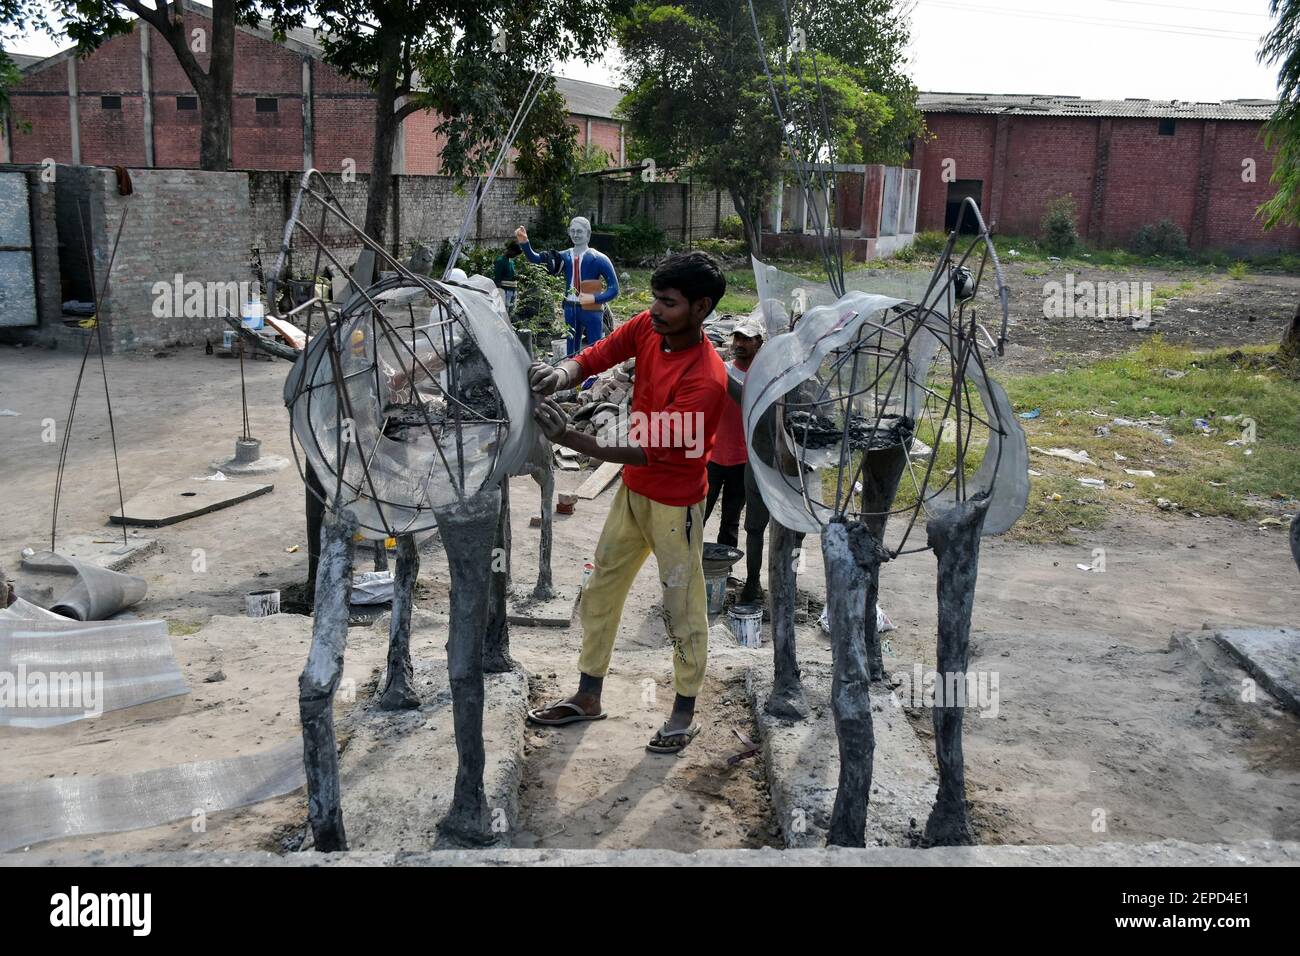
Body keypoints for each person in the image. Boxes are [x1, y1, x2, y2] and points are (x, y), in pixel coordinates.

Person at [526, 251, 728, 754]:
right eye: (656, 300)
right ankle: (588, 695)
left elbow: (649, 448)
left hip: (676, 506)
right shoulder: (648, 330)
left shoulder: (707, 379)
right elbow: (600, 353)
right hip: (633, 494)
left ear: (701, 307)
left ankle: (683, 711)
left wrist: (570, 438)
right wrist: (562, 373)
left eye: (669, 302)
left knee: (681, 607)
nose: (656, 310)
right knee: (599, 590)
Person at [703, 313, 765, 551]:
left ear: (758, 342)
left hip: (743, 461)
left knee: (731, 520)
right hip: (713, 457)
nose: (739, 344)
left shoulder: (763, 379)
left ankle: (723, 569)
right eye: (736, 338)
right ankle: (688, 565)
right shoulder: (721, 371)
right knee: (698, 514)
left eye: (746, 339)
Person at [515, 218, 619, 355]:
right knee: (571, 345)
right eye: (573, 231)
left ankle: (594, 375)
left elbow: (614, 289)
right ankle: (572, 373)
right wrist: (525, 243)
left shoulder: (599, 258)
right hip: (570, 306)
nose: (576, 235)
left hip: (591, 308)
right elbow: (536, 258)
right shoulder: (564, 256)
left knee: (595, 345)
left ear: (588, 234)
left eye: (580, 231)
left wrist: (594, 299)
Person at [493, 239, 520, 315]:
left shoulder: (511, 261)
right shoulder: (500, 261)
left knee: (510, 312)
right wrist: (499, 295)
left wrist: (515, 277)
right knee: (503, 312)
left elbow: (510, 275)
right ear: (510, 250)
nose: (515, 256)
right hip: (505, 291)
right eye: (514, 253)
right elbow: (497, 279)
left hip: (513, 290)